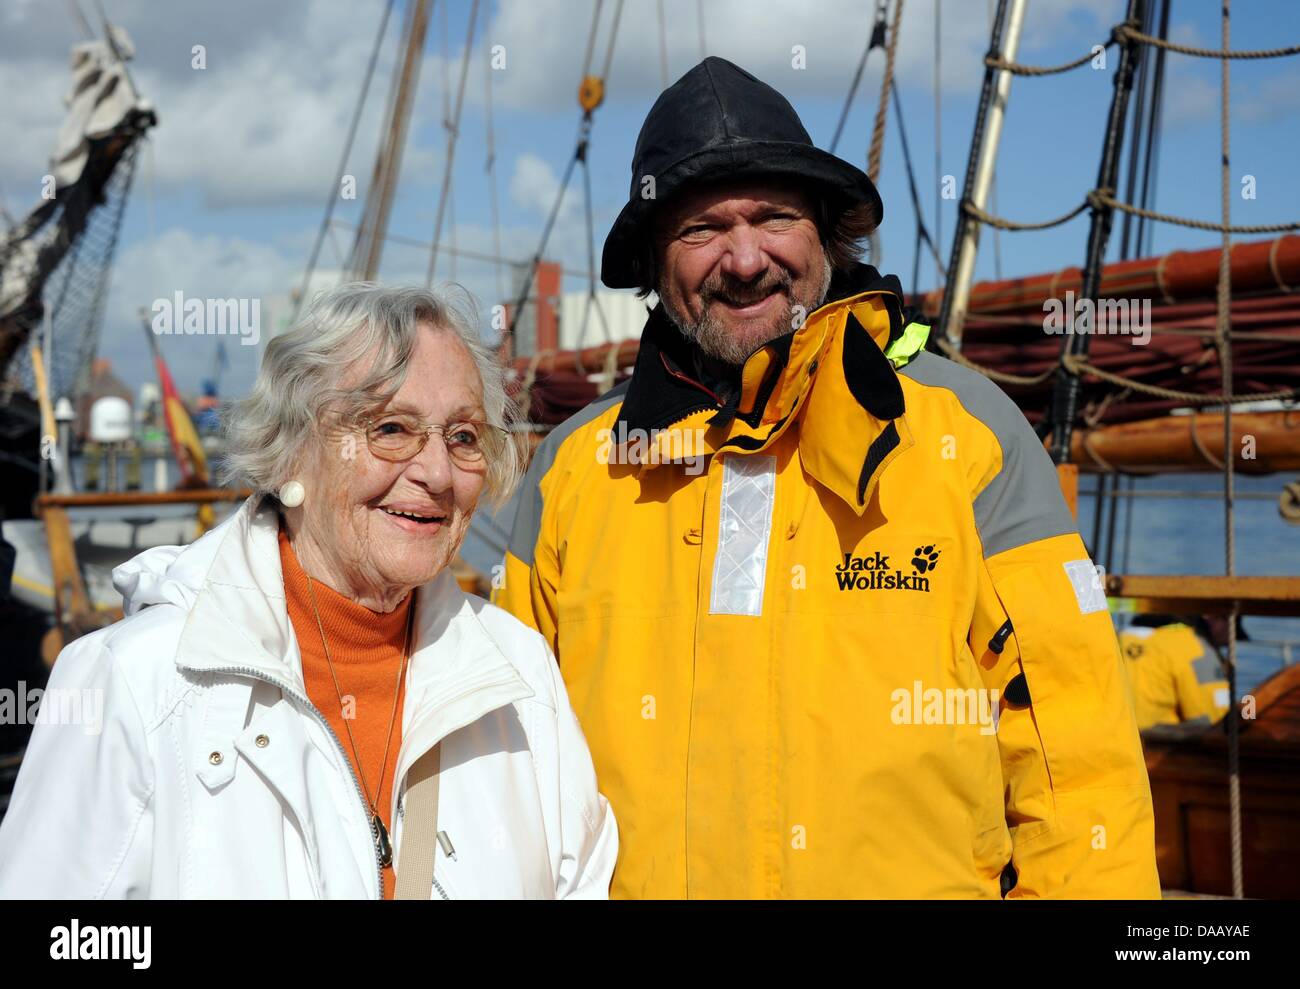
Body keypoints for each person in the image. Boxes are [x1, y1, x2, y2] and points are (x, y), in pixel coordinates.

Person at [498, 57, 1158, 898]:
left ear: (825, 234)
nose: (743, 259)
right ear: (656, 263)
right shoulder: (575, 470)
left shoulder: (966, 433)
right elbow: (506, 763)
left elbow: (1077, 755)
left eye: (773, 217)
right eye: (701, 229)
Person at [0, 283, 616, 899]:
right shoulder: (136, 682)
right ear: (292, 451)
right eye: (392, 428)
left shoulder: (520, 674)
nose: (436, 474)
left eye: (462, 437)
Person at [1122, 615, 1232, 727]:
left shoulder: (1121, 638)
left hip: (1116, 738)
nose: (1230, 638)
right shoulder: (1193, 647)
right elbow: (1215, 721)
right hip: (1157, 741)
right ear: (1212, 618)